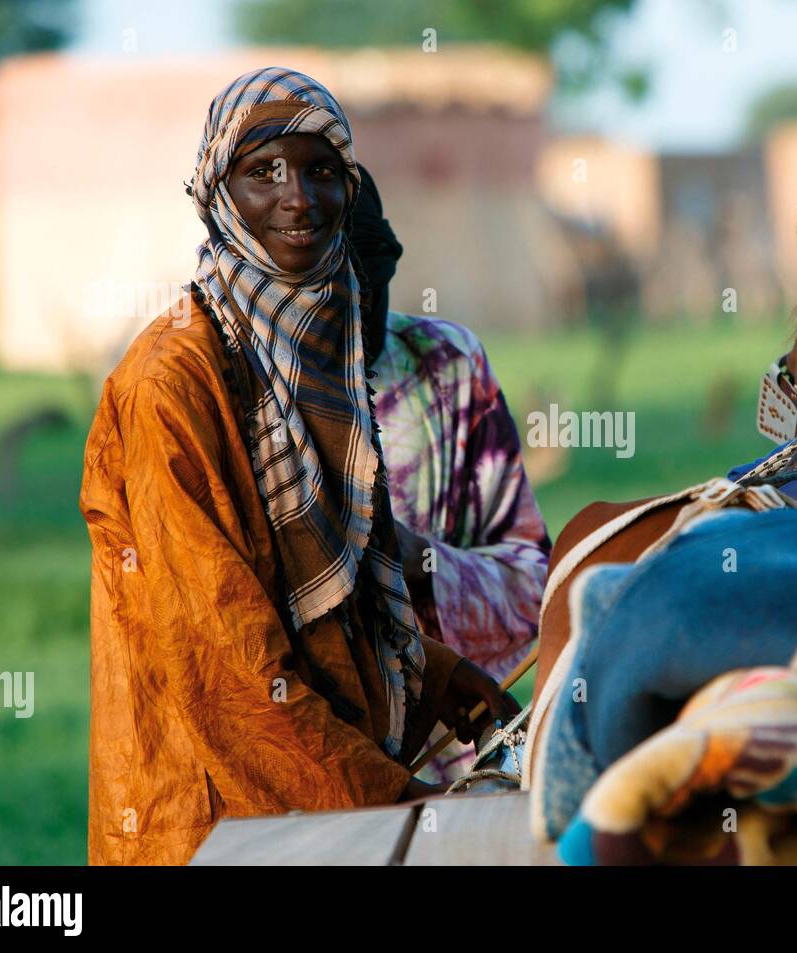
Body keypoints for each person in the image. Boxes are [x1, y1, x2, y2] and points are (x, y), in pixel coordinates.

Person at [79, 67, 518, 865]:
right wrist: (399, 808)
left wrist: (438, 672)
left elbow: (330, 583)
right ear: (218, 194)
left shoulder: (322, 341)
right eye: (263, 173)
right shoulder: (170, 383)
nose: (298, 200)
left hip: (317, 799)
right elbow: (227, 664)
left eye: (321, 170)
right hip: (209, 814)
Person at [346, 179, 552, 784]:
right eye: (333, 295)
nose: (360, 312)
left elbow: (534, 585)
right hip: (298, 772)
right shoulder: (233, 389)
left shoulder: (444, 364)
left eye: (375, 285)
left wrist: (422, 563)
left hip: (453, 770)